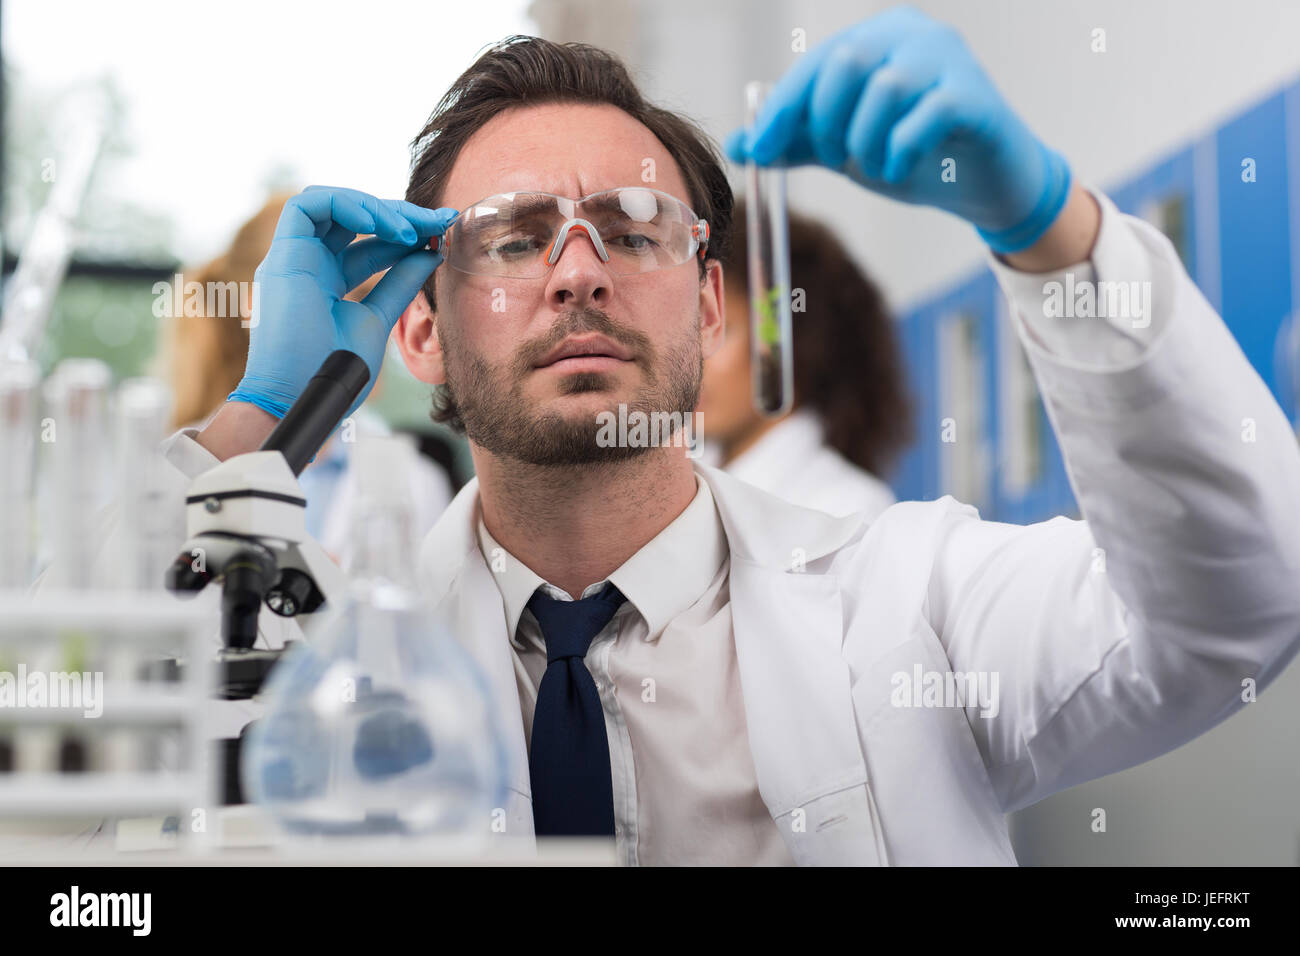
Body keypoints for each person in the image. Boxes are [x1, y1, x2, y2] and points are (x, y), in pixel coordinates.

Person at [164, 6, 1300, 865]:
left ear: (709, 308)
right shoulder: (327, 652)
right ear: (419, 328)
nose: (577, 273)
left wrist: (1046, 223)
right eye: (512, 240)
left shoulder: (913, 603)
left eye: (633, 227)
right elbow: (78, 737)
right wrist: (260, 419)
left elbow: (1236, 611)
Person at [157, 194, 455, 566]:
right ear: (257, 304)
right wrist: (268, 409)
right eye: (355, 294)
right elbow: (137, 590)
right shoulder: (159, 471)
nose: (374, 321)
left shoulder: (416, 481)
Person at [698, 200, 910, 518]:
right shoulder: (691, 488)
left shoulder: (847, 510)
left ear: (795, 346)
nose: (695, 358)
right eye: (690, 331)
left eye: (723, 332)